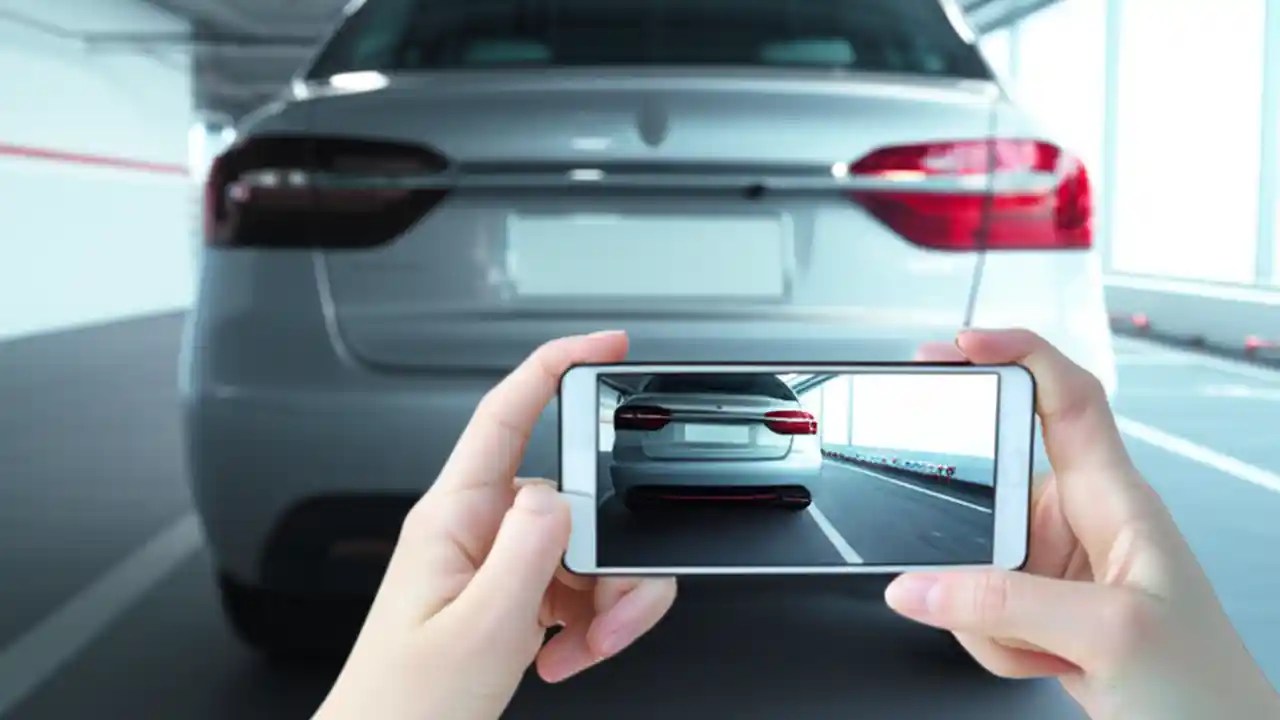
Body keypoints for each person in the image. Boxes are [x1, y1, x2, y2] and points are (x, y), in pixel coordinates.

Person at [312, 329, 1280, 720]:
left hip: (657, 465)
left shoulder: (641, 408)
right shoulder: (786, 411)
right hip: (778, 457)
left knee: (629, 510)